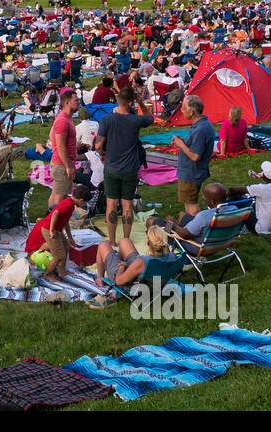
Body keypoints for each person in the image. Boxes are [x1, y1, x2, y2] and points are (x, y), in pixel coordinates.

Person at [95, 86, 153, 242]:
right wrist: (141, 103)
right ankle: (126, 239)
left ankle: (112, 240)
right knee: (127, 206)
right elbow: (151, 118)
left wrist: (102, 156)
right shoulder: (136, 120)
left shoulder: (107, 119)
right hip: (130, 169)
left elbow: (98, 145)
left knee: (111, 205)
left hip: (111, 168)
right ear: (130, 103)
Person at [31, 184, 92, 283]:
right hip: (49, 229)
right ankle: (47, 274)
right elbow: (55, 213)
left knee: (66, 246)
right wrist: (51, 230)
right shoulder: (68, 204)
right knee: (59, 256)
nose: (84, 205)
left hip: (57, 230)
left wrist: (70, 237)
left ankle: (62, 271)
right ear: (81, 200)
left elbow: (66, 221)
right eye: (85, 202)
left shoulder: (71, 205)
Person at [92, 224, 172, 290]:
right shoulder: (172, 257)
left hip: (130, 284)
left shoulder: (142, 262)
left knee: (103, 245)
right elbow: (165, 252)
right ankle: (116, 265)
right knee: (125, 241)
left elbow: (119, 281)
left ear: (148, 243)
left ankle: (100, 279)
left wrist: (121, 267)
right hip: (144, 276)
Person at [172, 95, 215, 217]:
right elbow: (195, 145)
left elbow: (196, 156)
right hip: (190, 172)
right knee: (188, 202)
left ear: (191, 112)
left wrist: (181, 145)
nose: (181, 110)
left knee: (192, 207)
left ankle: (196, 231)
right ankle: (191, 228)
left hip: (191, 174)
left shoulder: (201, 129)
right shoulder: (201, 124)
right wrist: (183, 141)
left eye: (183, 108)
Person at [48, 89, 80, 211]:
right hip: (62, 164)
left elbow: (52, 135)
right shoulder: (63, 120)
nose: (78, 102)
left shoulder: (65, 117)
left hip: (60, 162)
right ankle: (54, 225)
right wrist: (68, 166)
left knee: (56, 193)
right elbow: (61, 147)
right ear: (67, 103)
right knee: (60, 200)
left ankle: (49, 220)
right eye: (76, 100)